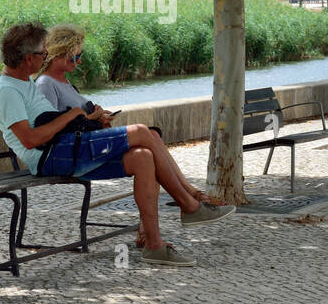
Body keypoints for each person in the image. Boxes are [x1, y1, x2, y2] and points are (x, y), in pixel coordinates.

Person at [0, 22, 234, 268]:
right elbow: (30, 139)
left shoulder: (24, 83)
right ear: (28, 59)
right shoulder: (8, 91)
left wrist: (79, 117)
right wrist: (73, 114)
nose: (46, 57)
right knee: (141, 132)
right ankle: (190, 205)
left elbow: (47, 121)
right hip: (51, 156)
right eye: (43, 53)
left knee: (143, 157)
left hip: (65, 147)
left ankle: (154, 245)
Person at [36, 24, 220, 246]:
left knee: (147, 150)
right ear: (59, 55)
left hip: (86, 147)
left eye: (79, 56)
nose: (79, 62)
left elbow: (76, 121)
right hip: (71, 155)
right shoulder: (46, 84)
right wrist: (89, 120)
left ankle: (149, 233)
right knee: (144, 132)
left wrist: (98, 119)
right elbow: (52, 129)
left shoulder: (65, 83)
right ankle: (190, 201)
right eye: (75, 58)